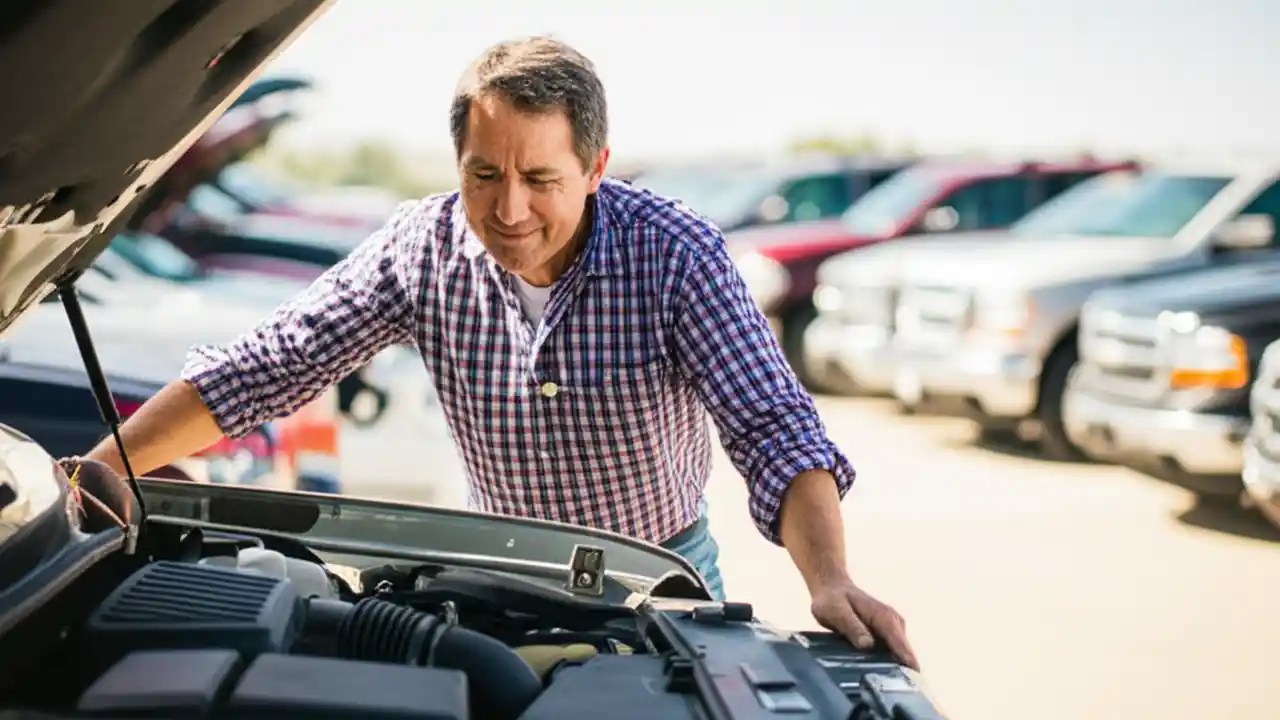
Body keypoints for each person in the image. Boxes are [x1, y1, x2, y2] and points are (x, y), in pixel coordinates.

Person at [83, 36, 918, 670]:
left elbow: (774, 427)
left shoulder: (676, 255)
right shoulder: (421, 249)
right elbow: (268, 365)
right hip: (498, 574)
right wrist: (100, 467)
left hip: (658, 575)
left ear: (596, 167)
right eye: (483, 175)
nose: (508, 209)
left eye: (540, 179)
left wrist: (830, 579)